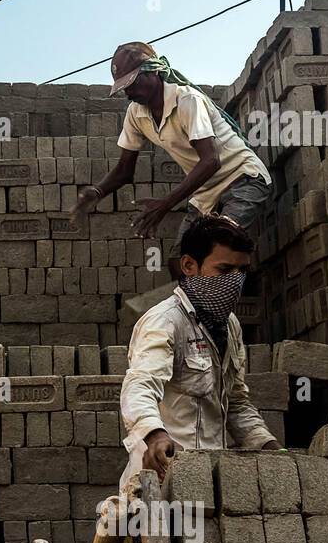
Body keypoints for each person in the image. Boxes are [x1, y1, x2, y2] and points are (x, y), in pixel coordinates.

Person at [71, 41, 273, 280]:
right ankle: (194, 316)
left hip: (242, 177)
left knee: (219, 248)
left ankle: (222, 315)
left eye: (131, 83)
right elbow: (125, 170)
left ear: (153, 71)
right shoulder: (136, 114)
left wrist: (165, 203)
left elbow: (211, 161)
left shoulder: (187, 101)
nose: (127, 93)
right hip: (206, 191)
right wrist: (97, 191)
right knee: (179, 264)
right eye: (123, 88)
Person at [118, 214, 281, 490]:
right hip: (159, 479)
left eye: (241, 272)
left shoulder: (229, 325)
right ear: (189, 265)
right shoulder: (165, 322)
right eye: (224, 270)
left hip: (210, 480)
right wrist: (154, 435)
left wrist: (269, 446)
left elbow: (236, 403)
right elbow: (140, 386)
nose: (235, 282)